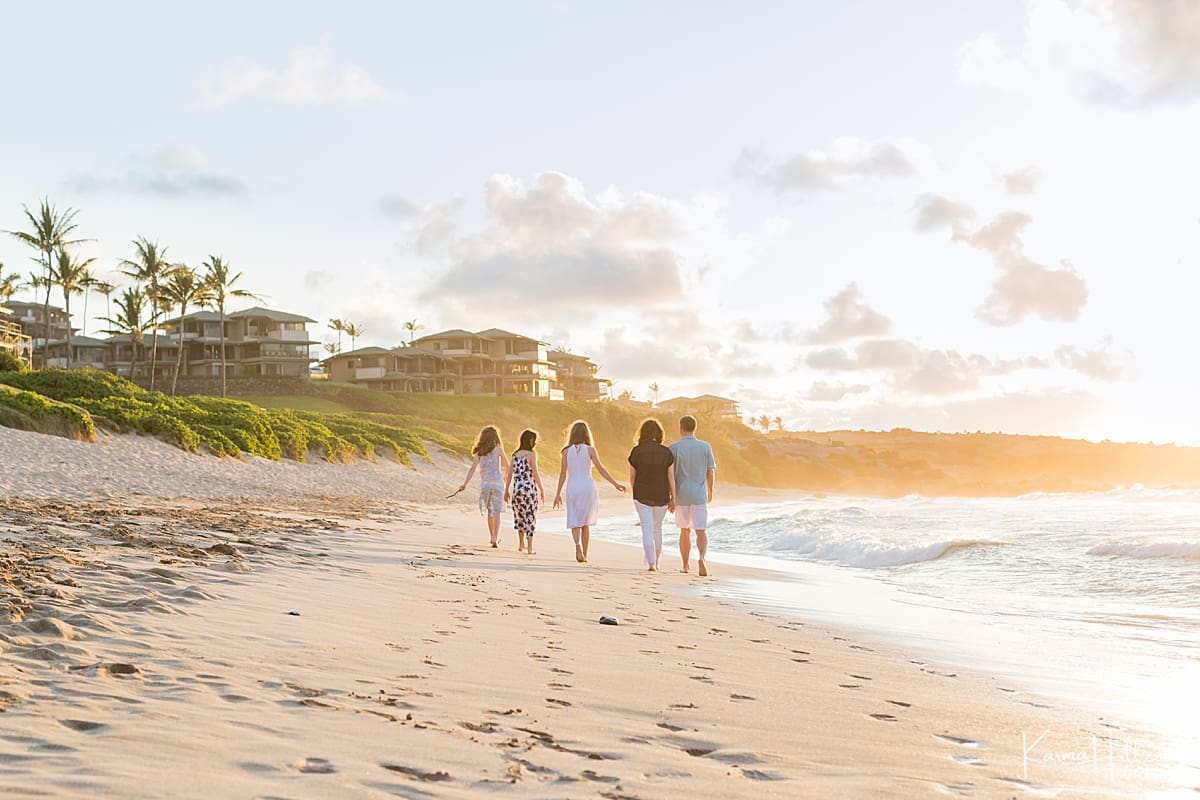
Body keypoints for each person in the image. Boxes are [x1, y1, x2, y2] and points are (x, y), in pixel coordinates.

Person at [553, 420, 626, 563]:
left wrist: (557, 494)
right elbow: (601, 469)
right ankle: (585, 555)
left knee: (575, 520)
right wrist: (615, 484)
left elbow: (562, 474)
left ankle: (577, 545)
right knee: (585, 522)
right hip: (587, 486)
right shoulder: (591, 450)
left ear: (572, 434)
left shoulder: (566, 451)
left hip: (573, 486)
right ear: (587, 434)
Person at [627, 418, 676, 572]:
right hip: (661, 494)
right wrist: (673, 498)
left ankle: (651, 563)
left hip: (641, 494)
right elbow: (671, 477)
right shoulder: (666, 452)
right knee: (657, 528)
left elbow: (632, 477)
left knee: (647, 528)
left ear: (642, 433)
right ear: (659, 434)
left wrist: (635, 492)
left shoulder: (636, 451)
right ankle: (657, 561)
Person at [669, 415, 716, 576]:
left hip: (681, 495)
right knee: (701, 530)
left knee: (684, 531)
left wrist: (671, 497)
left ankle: (685, 565)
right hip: (699, 494)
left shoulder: (674, 447)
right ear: (695, 428)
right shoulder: (705, 446)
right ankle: (702, 558)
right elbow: (710, 471)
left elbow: (670, 475)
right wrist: (710, 491)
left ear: (681, 428)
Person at [457, 425, 510, 548]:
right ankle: (495, 537)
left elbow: (472, 469)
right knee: (497, 512)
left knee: (490, 512)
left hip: (486, 485)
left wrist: (465, 484)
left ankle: (491, 537)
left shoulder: (479, 452)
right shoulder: (498, 449)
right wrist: (504, 479)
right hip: (498, 484)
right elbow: (508, 467)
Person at [504, 429, 546, 554]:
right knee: (530, 516)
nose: (535, 443)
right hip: (529, 491)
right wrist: (541, 489)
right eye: (534, 440)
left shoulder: (515, 455)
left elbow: (509, 475)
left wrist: (506, 491)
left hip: (517, 490)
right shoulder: (531, 454)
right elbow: (535, 473)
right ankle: (530, 547)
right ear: (530, 441)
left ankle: (521, 544)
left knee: (519, 516)